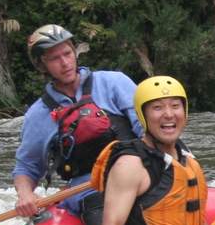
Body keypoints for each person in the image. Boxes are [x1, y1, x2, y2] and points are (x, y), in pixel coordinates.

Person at [84, 76, 207, 225]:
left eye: (175, 106)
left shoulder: (187, 158)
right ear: (143, 115)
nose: (168, 114)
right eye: (157, 107)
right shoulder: (131, 164)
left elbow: (196, 218)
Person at [11, 24, 140, 215]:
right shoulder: (38, 115)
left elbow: (146, 127)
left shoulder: (113, 83)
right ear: (42, 65)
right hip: (89, 193)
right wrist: (25, 194)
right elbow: (27, 167)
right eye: (55, 58)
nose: (65, 62)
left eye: (67, 53)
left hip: (137, 176)